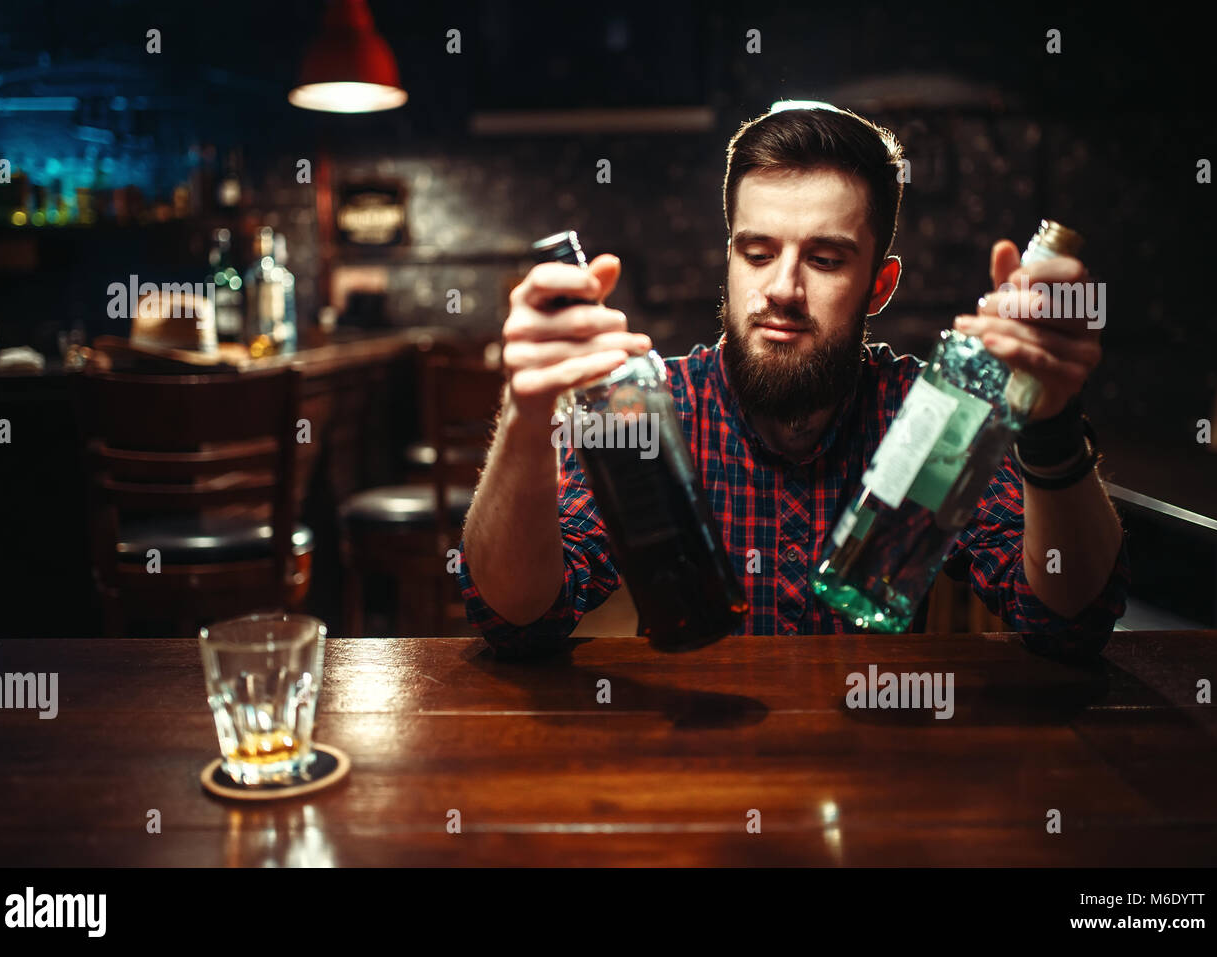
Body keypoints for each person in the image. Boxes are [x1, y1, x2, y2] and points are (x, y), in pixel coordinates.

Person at [458, 102, 1128, 656]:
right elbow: (516, 620)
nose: (782, 289)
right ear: (729, 260)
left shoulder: (927, 416)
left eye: (827, 259)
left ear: (878, 285)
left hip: (880, 772)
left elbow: (1066, 621)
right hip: (692, 766)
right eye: (757, 252)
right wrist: (526, 409)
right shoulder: (652, 410)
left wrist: (1051, 427)